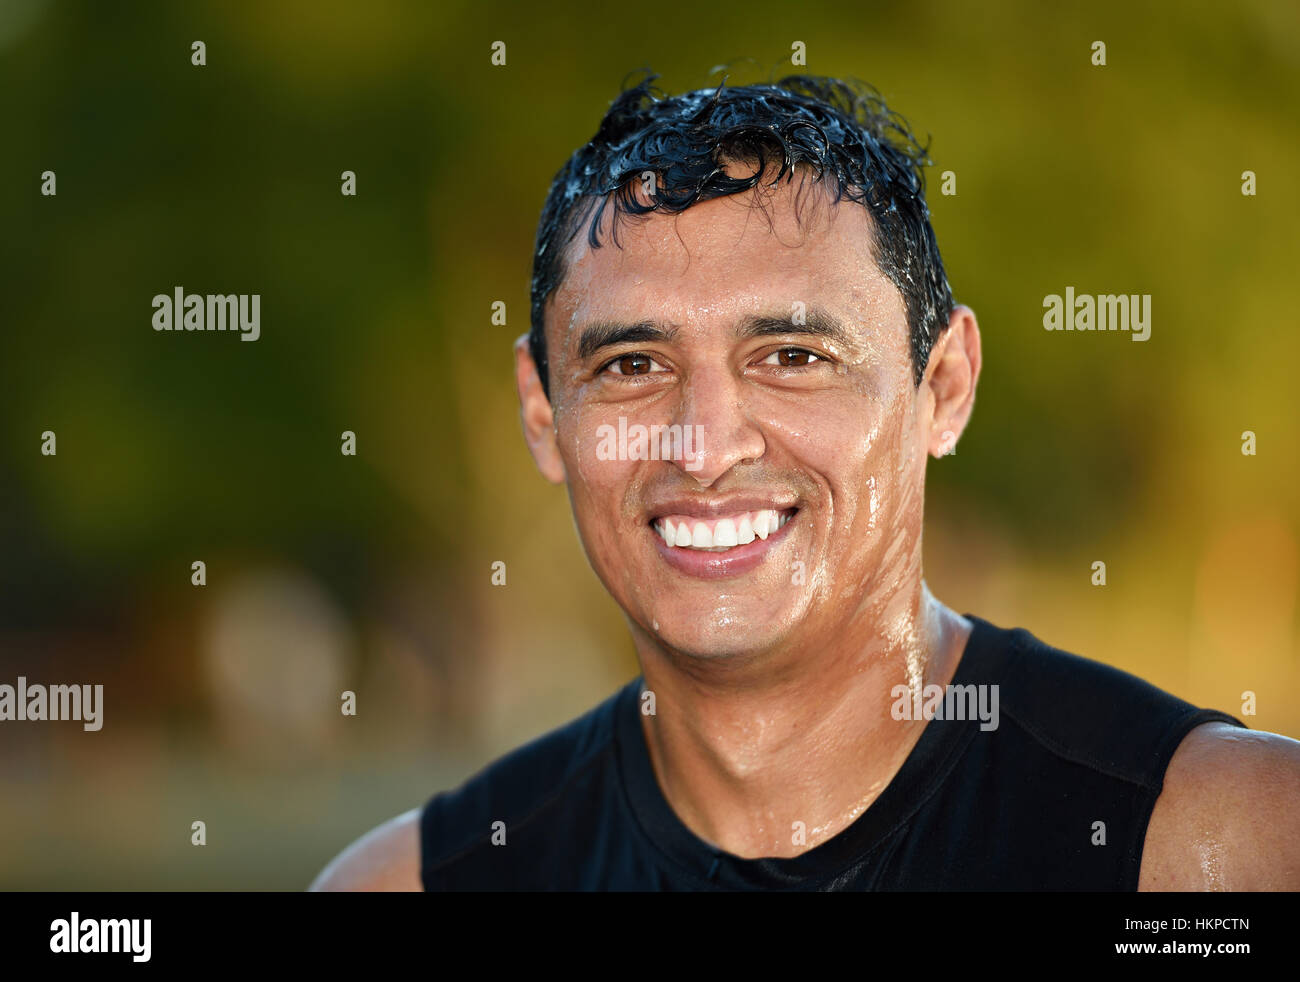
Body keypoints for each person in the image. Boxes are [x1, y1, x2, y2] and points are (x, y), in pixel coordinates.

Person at [311, 73, 1300, 891]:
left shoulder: (1219, 845)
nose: (703, 447)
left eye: (790, 356)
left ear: (941, 386)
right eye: (630, 366)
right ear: (543, 415)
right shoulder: (411, 885)